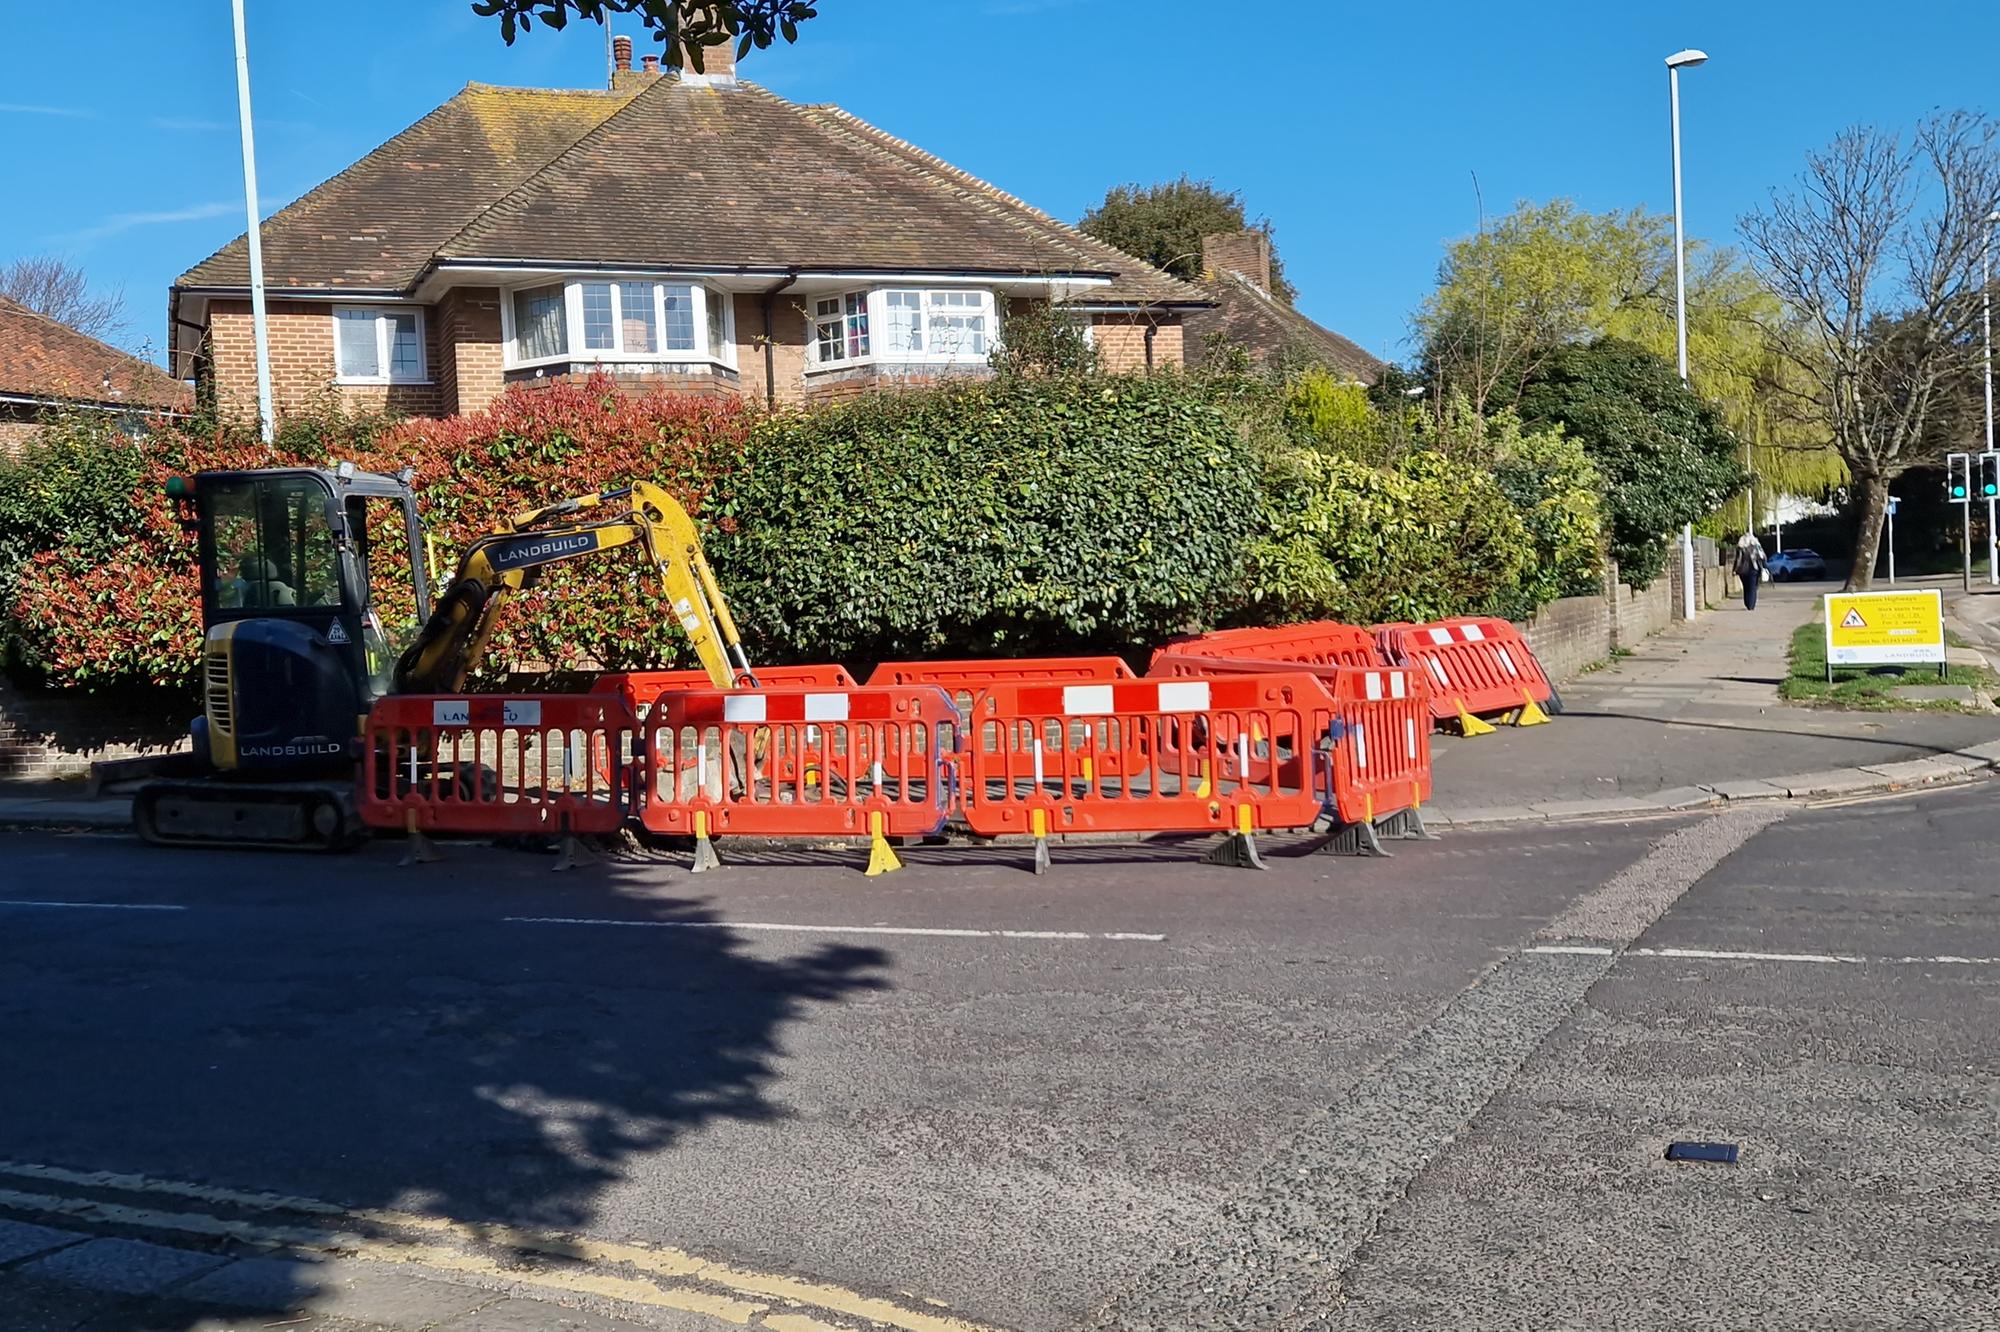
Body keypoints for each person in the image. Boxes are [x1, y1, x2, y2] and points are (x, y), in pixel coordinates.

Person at [1734, 531, 1768, 610]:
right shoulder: (1756, 546)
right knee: (1753, 587)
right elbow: (1763, 557)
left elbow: (1738, 560)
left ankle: (1747, 603)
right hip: (1754, 569)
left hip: (1742, 570)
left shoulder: (1741, 548)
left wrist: (1735, 569)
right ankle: (1751, 605)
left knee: (1746, 587)